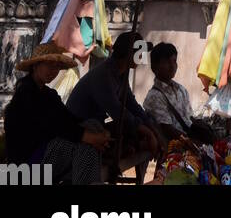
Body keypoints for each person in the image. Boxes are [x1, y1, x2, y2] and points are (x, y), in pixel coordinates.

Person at [3, 42, 110, 185]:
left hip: (47, 157)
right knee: (83, 143)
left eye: (57, 66)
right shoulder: (25, 93)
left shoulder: (49, 95)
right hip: (28, 166)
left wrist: (98, 133)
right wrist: (87, 136)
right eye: (49, 65)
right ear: (35, 66)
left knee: (92, 125)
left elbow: (70, 119)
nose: (54, 70)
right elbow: (52, 125)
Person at [67, 30, 162, 168]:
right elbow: (117, 111)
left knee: (147, 120)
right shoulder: (103, 75)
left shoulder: (121, 74)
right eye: (139, 53)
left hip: (99, 126)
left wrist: (152, 129)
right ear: (129, 53)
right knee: (124, 127)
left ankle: (125, 147)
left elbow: (132, 105)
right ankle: (116, 150)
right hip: (83, 130)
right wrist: (148, 132)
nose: (141, 57)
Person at [143, 43, 214, 144]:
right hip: (175, 147)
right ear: (155, 67)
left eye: (174, 61)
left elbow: (190, 118)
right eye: (167, 62)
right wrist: (192, 142)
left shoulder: (181, 89)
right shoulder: (154, 96)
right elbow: (167, 129)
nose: (172, 66)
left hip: (191, 140)